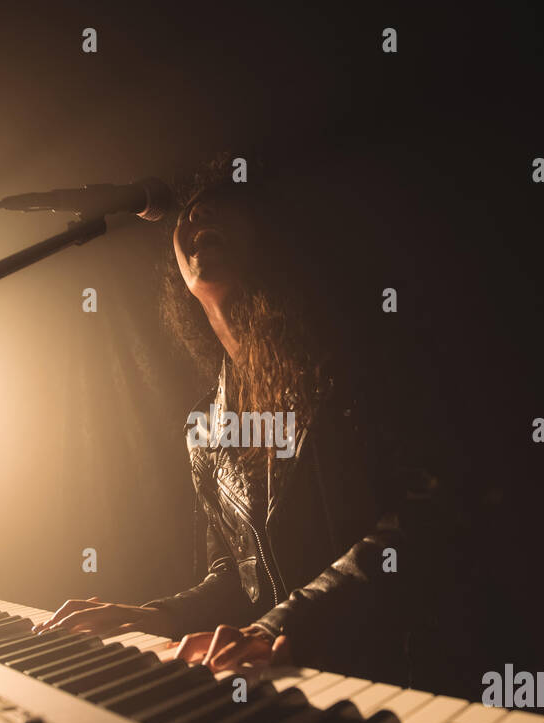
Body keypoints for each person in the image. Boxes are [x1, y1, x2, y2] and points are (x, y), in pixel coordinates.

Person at [34, 156, 441, 681]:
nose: (198, 214)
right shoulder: (205, 421)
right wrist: (153, 615)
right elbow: (235, 575)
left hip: (400, 679)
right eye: (189, 213)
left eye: (224, 205)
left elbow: (421, 515)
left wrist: (279, 626)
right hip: (283, 678)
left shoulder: (351, 362)